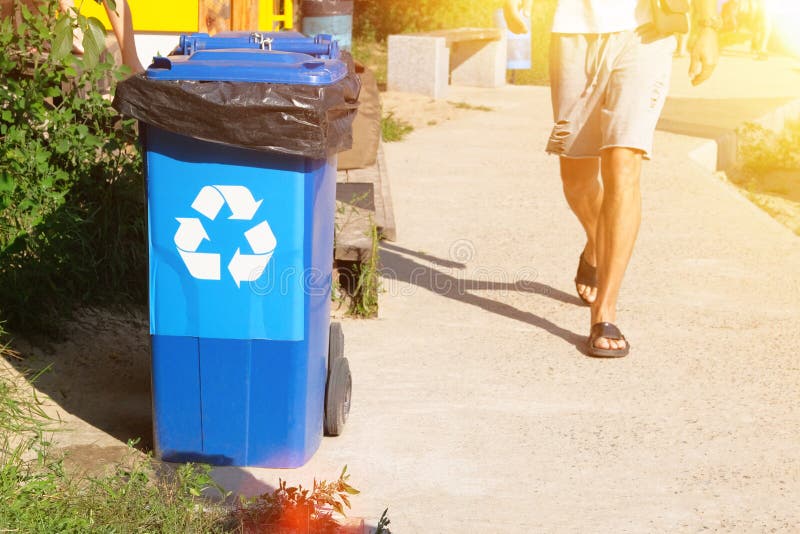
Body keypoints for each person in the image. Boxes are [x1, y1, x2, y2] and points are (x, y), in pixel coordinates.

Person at [504, 0, 720, 357]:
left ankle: (604, 310)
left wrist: (708, 25)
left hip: (648, 31)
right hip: (574, 31)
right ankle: (595, 242)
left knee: (623, 162)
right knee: (576, 177)